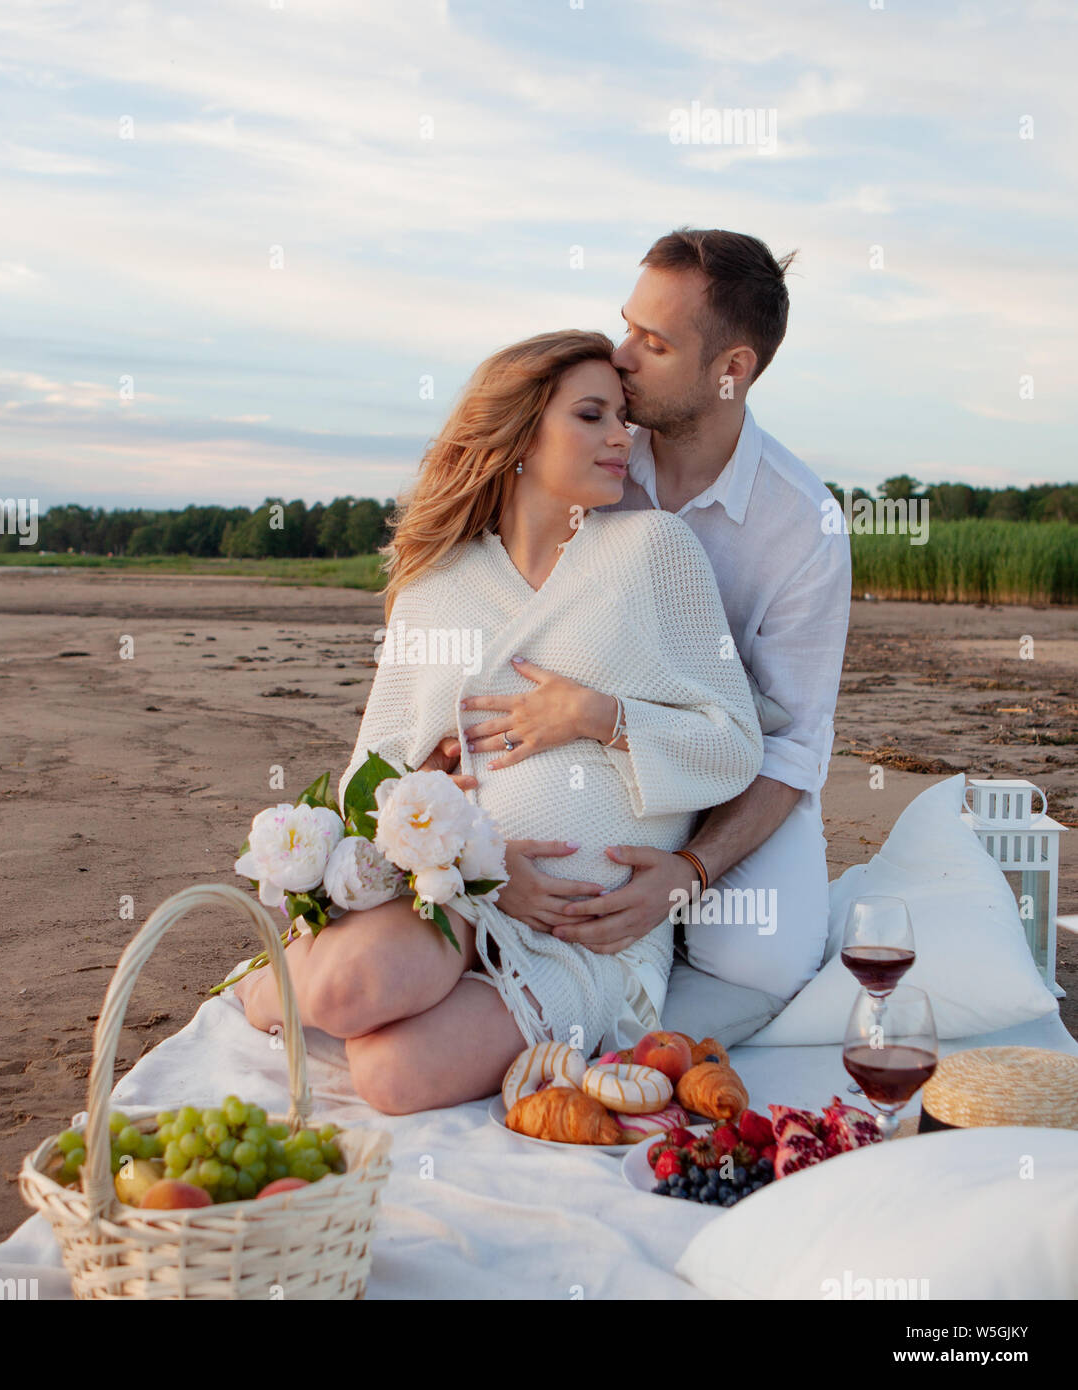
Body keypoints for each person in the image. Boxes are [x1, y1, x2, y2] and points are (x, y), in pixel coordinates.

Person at [236, 329, 763, 1113]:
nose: (623, 436)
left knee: (390, 1077)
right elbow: (366, 776)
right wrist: (475, 855)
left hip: (587, 928)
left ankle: (302, 978)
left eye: (623, 415)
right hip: (464, 888)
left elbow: (735, 745)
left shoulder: (655, 551)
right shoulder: (436, 586)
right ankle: (297, 976)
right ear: (519, 435)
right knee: (347, 990)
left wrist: (599, 716)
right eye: (592, 416)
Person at [441, 229, 851, 1003]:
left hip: (735, 772)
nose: (621, 355)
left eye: (653, 343)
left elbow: (795, 741)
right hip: (583, 751)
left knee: (762, 960)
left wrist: (689, 873)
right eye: (627, 324)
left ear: (732, 371)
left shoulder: (803, 527)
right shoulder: (590, 452)